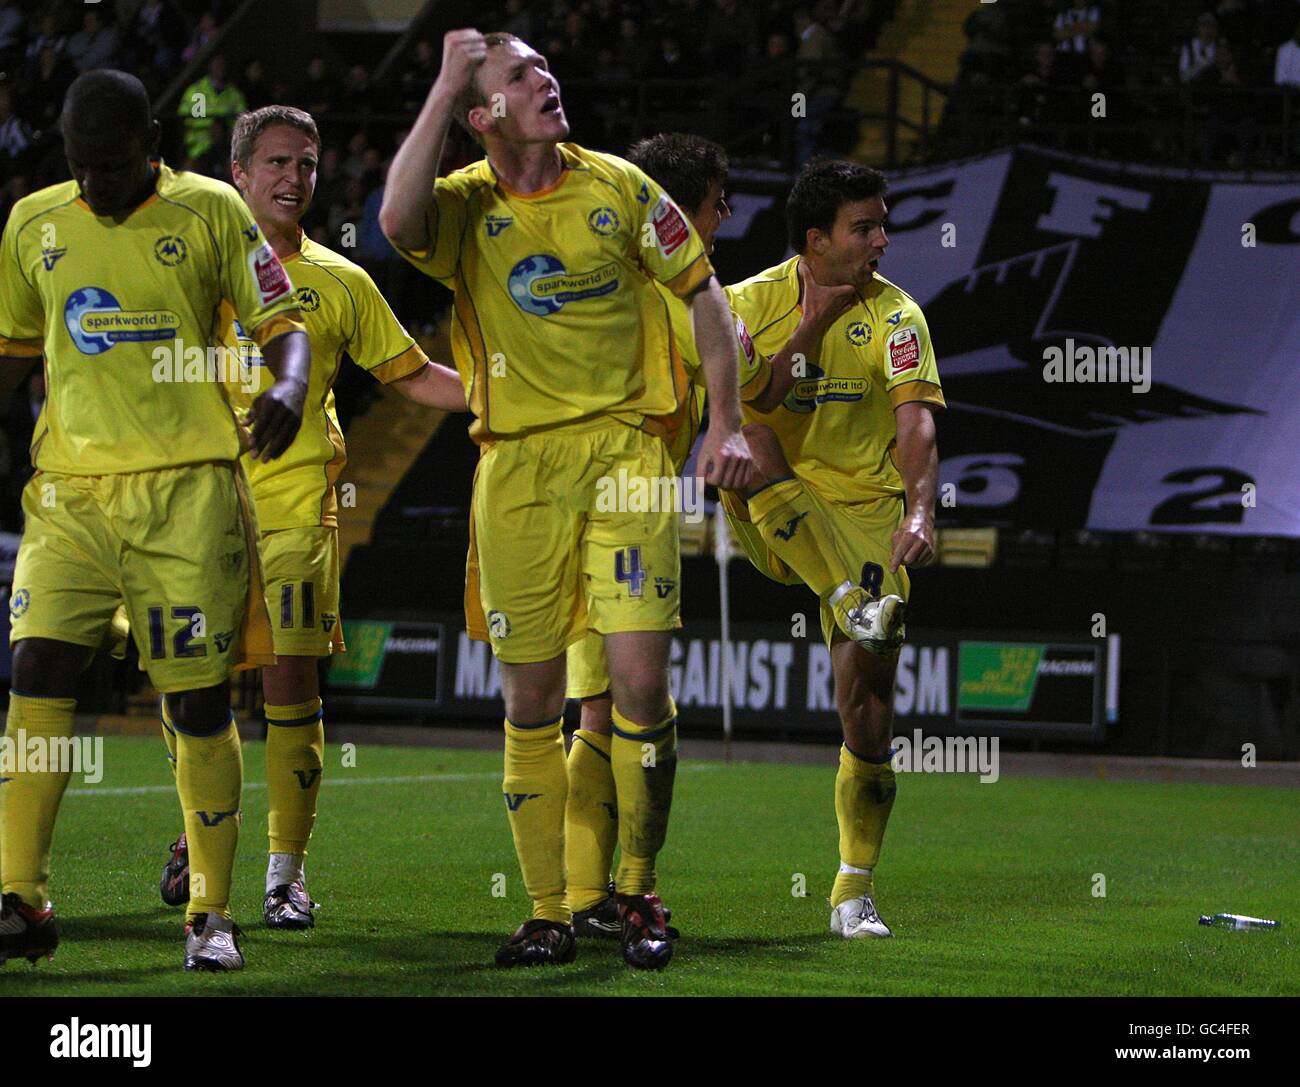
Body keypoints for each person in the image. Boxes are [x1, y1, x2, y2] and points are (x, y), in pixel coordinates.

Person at [380, 29, 755, 970]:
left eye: (545, 67)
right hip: (516, 469)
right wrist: (440, 84)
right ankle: (547, 911)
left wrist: (727, 423)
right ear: (482, 116)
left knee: (638, 683)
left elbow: (707, 297)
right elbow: (394, 221)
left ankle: (635, 889)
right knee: (533, 698)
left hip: (626, 455)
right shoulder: (464, 207)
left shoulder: (623, 186)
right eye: (519, 76)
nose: (546, 80)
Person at [0, 69, 310, 971]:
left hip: (187, 495)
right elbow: (16, 349)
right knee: (36, 666)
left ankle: (210, 910)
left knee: (196, 700)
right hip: (69, 495)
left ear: (152, 142)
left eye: (108, 164)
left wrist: (288, 381)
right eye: (78, 165)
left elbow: (280, 315)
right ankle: (22, 895)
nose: (91, 183)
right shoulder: (33, 222)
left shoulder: (211, 210)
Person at [155, 104, 466, 929]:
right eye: (280, 163)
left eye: (309, 165)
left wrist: (514, 394)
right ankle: (197, 829)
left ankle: (283, 873)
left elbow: (412, 375)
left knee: (291, 680)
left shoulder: (340, 279)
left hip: (297, 507)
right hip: (195, 505)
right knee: (192, 683)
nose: (296, 178)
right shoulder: (187, 268)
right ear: (240, 175)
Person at [723, 158, 944, 939]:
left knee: (870, 709)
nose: (882, 240)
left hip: (863, 513)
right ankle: (847, 597)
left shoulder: (899, 316)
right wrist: (814, 321)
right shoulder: (747, 302)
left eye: (883, 224)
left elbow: (916, 421)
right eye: (865, 227)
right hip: (775, 498)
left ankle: (853, 889)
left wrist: (919, 511)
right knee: (745, 432)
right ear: (817, 240)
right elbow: (748, 402)